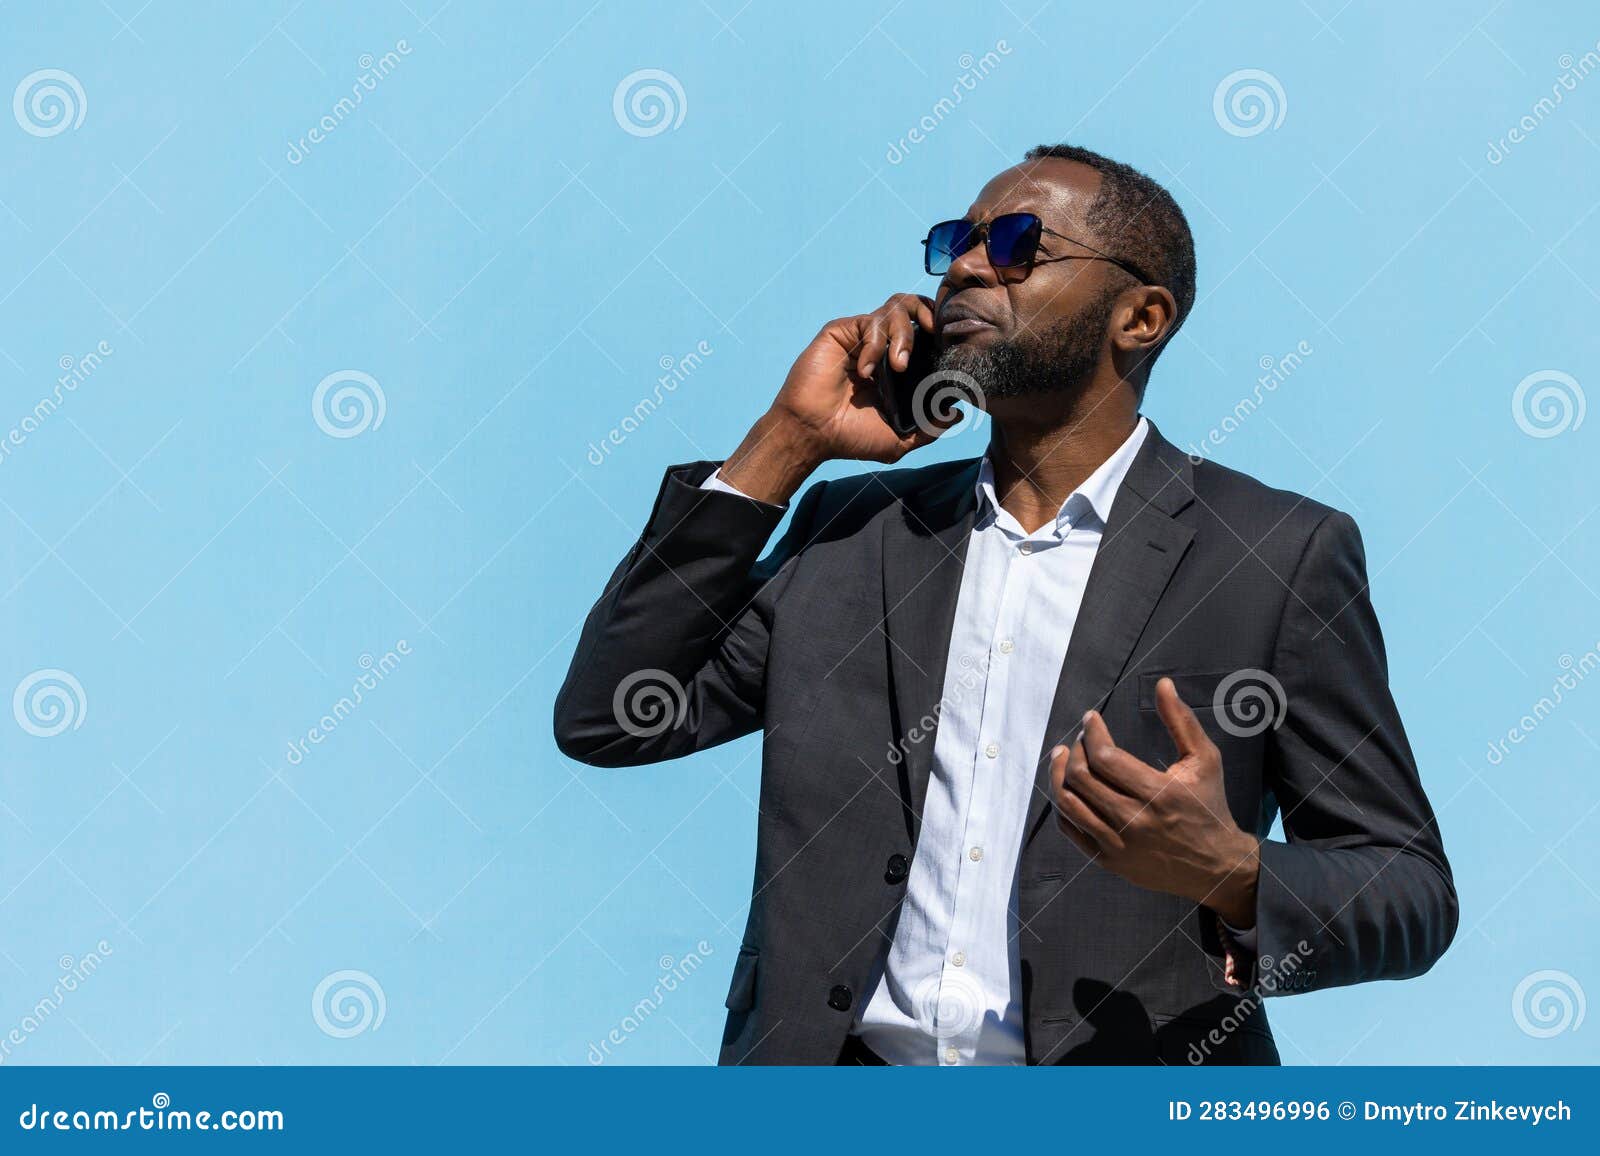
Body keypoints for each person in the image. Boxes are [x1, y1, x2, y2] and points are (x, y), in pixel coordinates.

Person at [553, 144, 1457, 1065]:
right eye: (958, 240)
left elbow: (1409, 893)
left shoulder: (1273, 555)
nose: (967, 267)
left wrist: (1228, 870)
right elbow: (614, 718)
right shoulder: (856, 534)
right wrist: (788, 444)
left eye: (1019, 243)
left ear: (1140, 317)